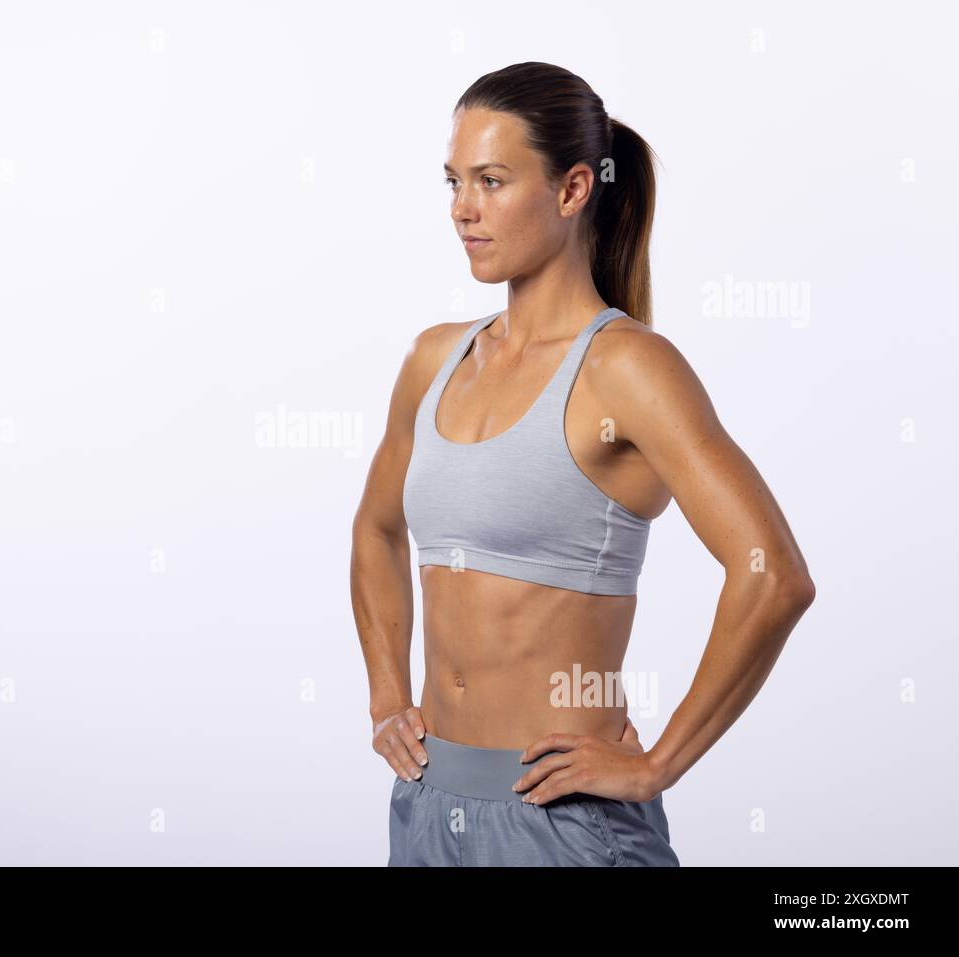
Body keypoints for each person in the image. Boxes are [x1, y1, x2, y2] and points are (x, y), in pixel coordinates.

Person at [349, 61, 816, 867]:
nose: (463, 209)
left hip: (563, 822)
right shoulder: (434, 359)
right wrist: (388, 694)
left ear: (571, 191)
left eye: (492, 181)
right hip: (427, 804)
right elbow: (377, 529)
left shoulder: (628, 368)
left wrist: (657, 763)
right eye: (454, 181)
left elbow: (772, 573)